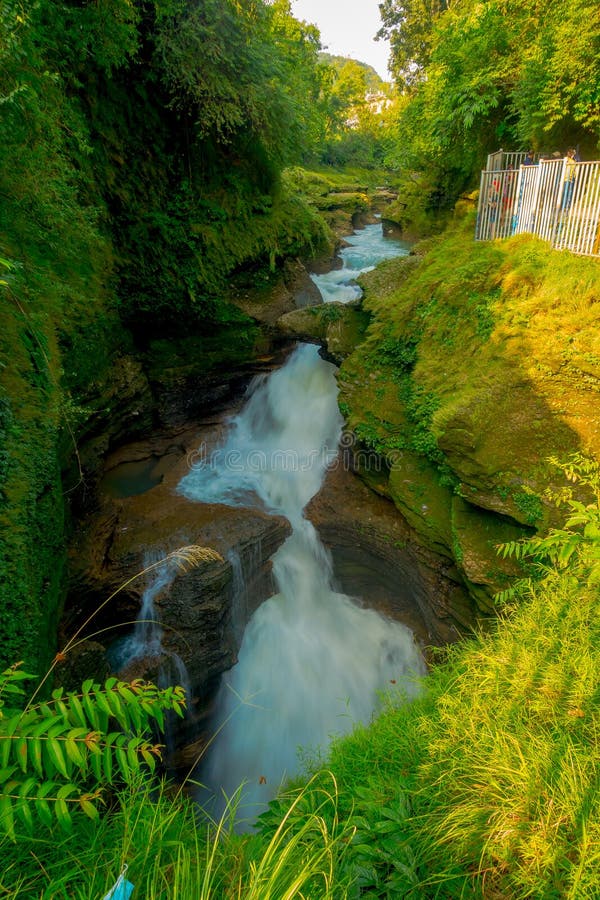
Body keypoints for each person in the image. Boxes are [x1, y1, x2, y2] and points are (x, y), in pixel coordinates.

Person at [561, 148, 577, 213]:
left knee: (565, 193)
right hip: (569, 179)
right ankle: (565, 207)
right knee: (568, 194)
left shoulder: (566, 160)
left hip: (566, 179)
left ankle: (563, 207)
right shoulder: (572, 161)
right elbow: (575, 172)